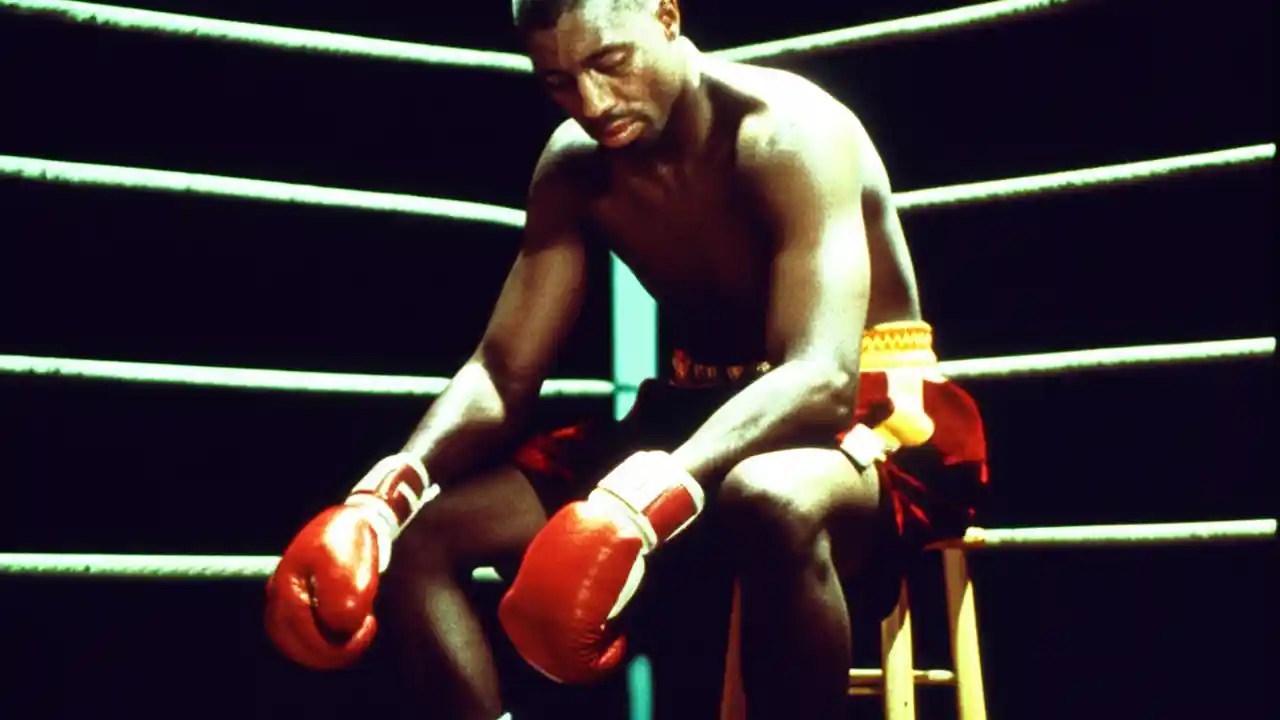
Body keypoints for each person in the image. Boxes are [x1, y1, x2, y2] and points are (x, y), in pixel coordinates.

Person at [263, 0, 989, 717]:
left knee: (770, 496)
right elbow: (502, 371)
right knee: (422, 540)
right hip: (693, 417)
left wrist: (639, 502)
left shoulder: (790, 134)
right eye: (557, 81)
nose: (591, 101)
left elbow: (821, 377)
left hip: (872, 419)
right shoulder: (575, 169)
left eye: (609, 62)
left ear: (667, 16)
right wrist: (382, 498)